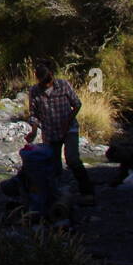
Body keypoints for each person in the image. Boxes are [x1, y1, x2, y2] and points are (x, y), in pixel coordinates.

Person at [24, 58, 96, 206]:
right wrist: (34, 131)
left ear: (51, 76)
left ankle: (88, 192)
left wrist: (67, 121)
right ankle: (55, 196)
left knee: (73, 160)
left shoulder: (63, 85)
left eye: (46, 82)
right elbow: (33, 114)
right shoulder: (34, 91)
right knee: (54, 165)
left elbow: (77, 104)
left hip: (69, 130)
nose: (44, 86)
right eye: (41, 83)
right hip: (50, 132)